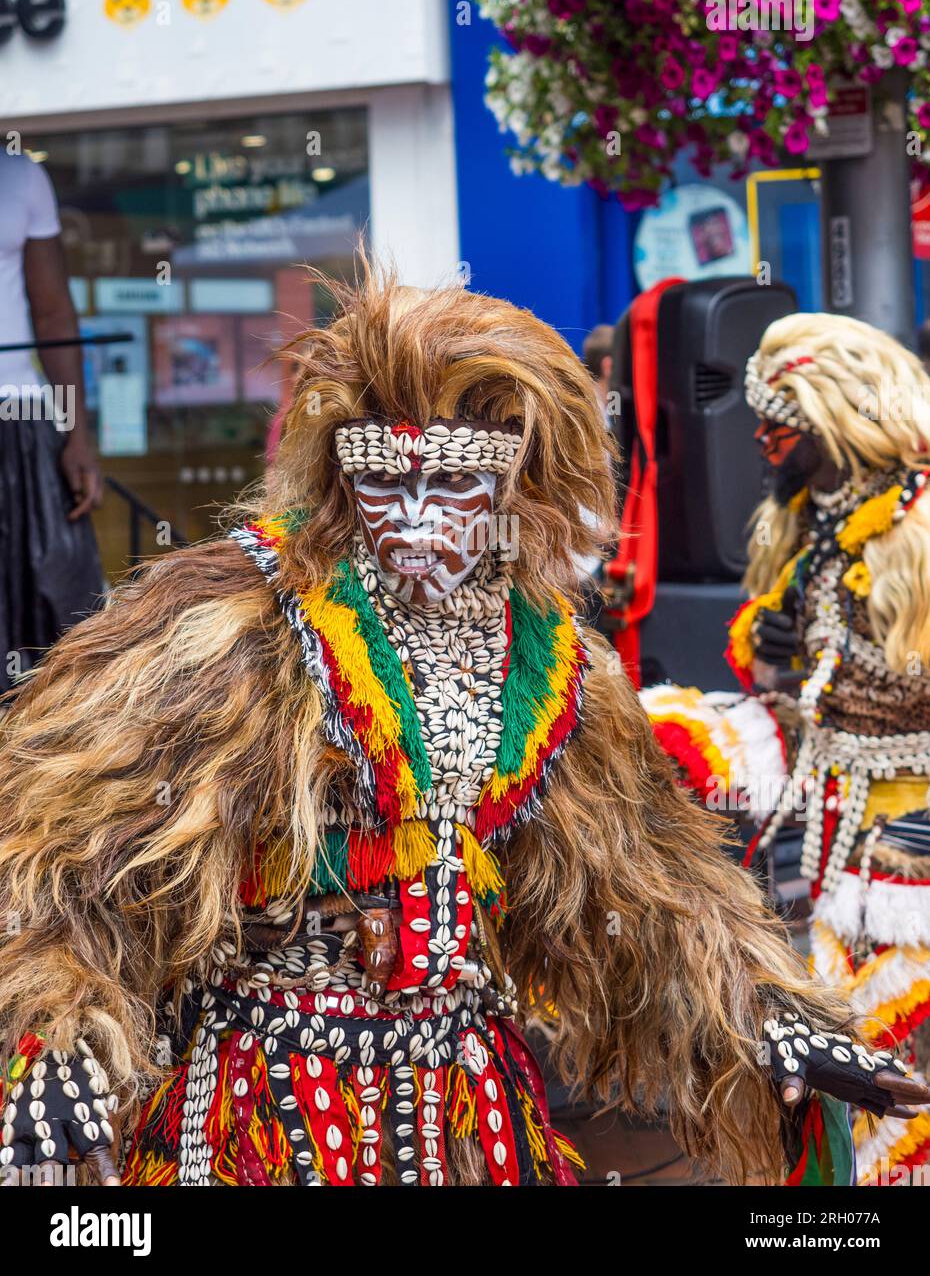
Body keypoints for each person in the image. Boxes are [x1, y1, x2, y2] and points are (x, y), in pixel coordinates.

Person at [0, 268, 925, 1190]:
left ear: (521, 483)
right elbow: (55, 856)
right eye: (383, 479)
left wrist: (763, 1010)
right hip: (262, 1101)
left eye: (451, 482)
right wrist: (55, 1025)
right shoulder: (235, 621)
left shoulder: (558, 662)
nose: (413, 521)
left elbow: (648, 888)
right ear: (336, 475)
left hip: (468, 1098)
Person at [645, 312, 930, 1184]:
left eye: (783, 421)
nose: (763, 437)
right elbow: (802, 692)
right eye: (759, 418)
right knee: (854, 1051)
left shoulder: (917, 525)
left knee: (895, 1044)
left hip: (909, 826)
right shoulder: (805, 523)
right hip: (834, 798)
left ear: (835, 416)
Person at [0, 150, 104, 692]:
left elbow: (54, 312)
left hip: (18, 414)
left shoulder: (20, 175)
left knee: (54, 604)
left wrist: (77, 437)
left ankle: (34, 763)